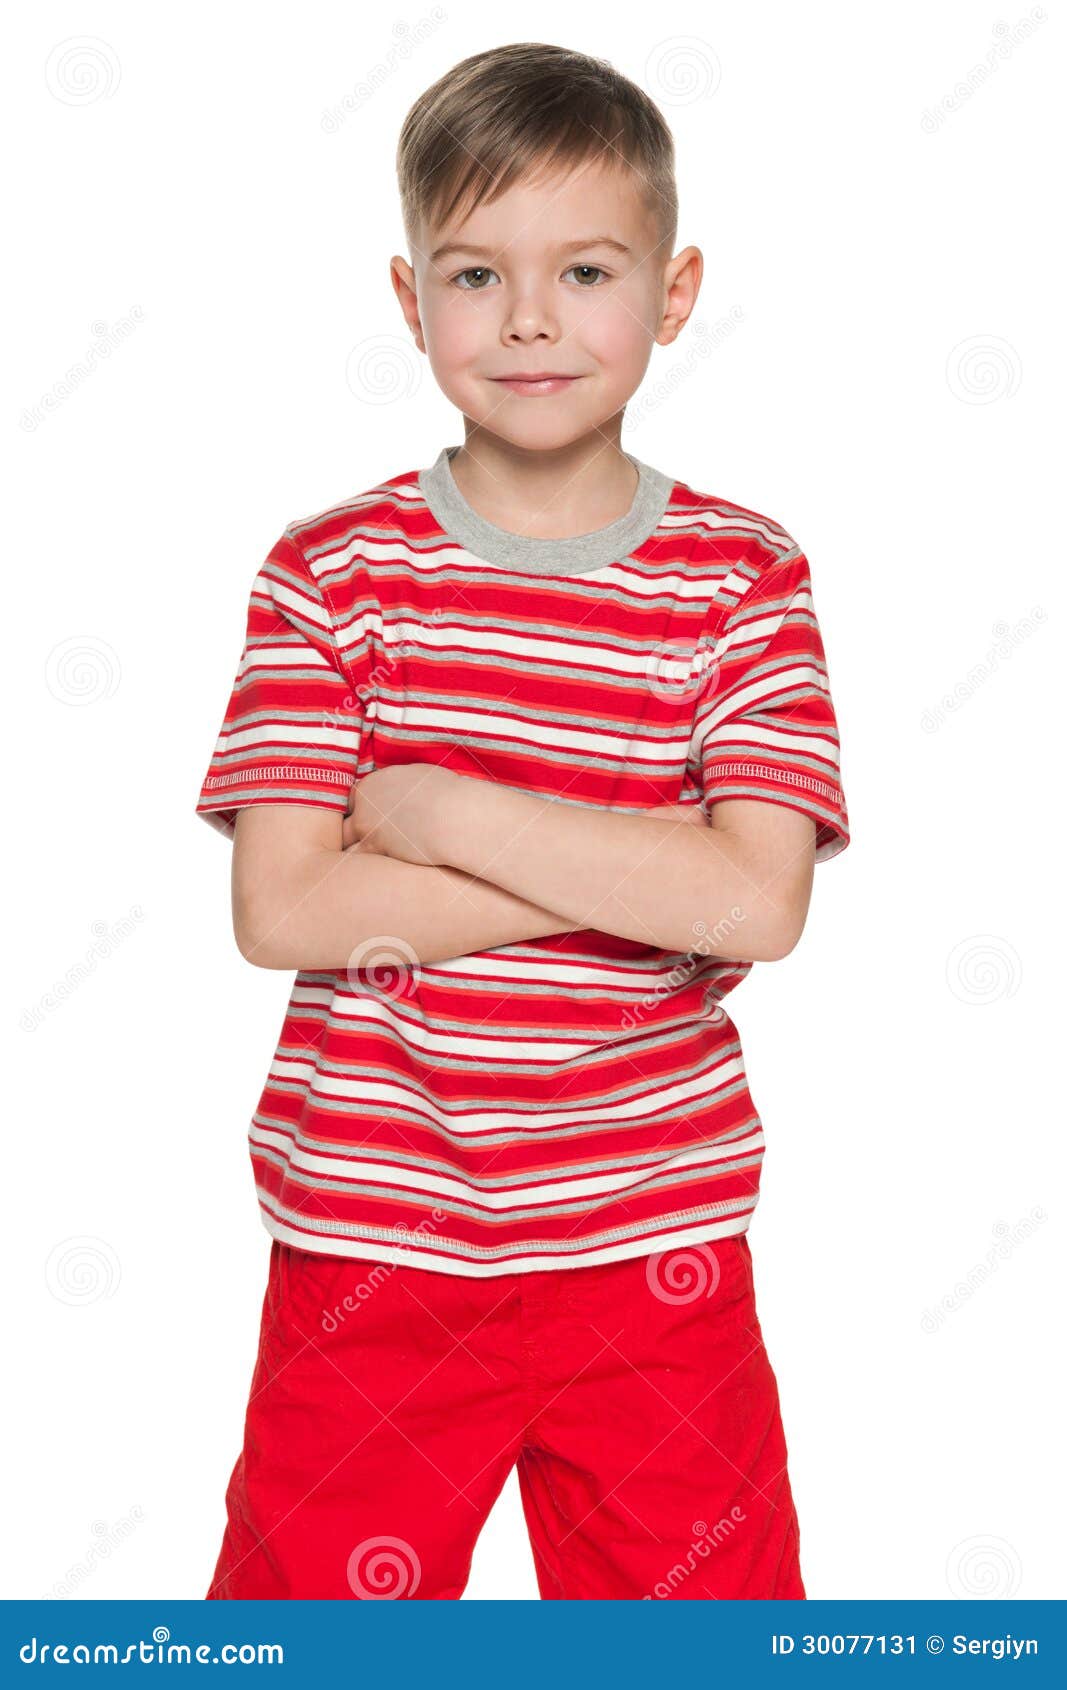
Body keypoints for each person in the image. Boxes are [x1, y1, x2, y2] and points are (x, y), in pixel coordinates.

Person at [195, 41, 850, 1601]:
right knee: (308, 1635)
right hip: (377, 1240)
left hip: (655, 1242)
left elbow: (761, 904)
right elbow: (284, 909)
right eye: (478, 274)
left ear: (675, 291)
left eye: (587, 269)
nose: (534, 319)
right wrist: (648, 866)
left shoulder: (740, 577)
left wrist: (433, 810)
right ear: (413, 300)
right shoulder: (332, 574)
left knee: (705, 1636)